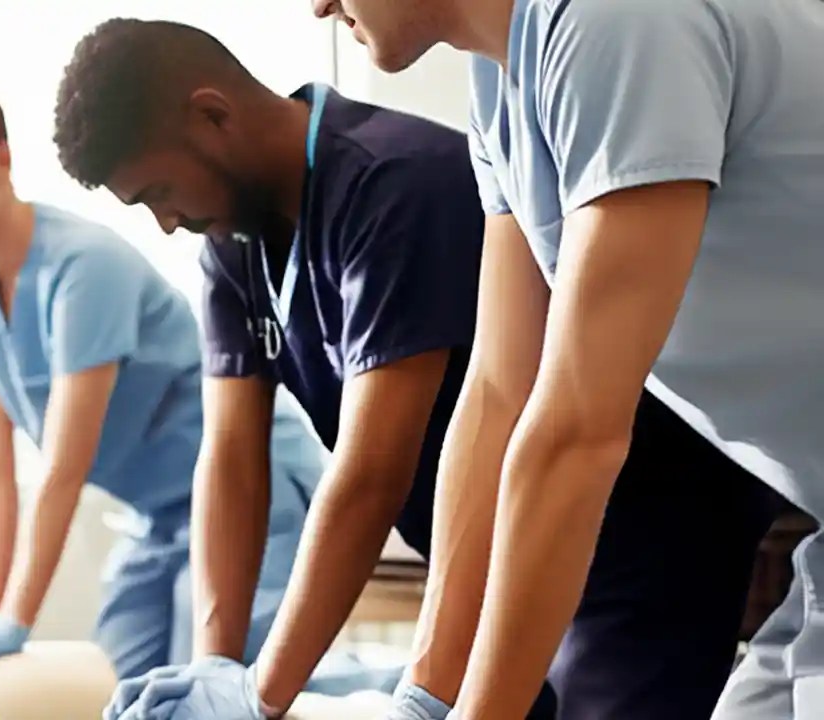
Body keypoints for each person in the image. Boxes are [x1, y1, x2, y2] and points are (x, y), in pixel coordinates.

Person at [54, 16, 781, 720]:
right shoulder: (233, 244)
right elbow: (232, 463)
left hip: (630, 535)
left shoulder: (393, 181)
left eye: (155, 193)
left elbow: (373, 473)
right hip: (487, 561)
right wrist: (218, 672)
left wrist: (263, 693)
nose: (165, 223)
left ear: (211, 116)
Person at [311, 0, 824, 718]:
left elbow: (577, 432)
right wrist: (428, 693)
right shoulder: (499, 95)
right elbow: (498, 392)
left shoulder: (618, 21)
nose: (318, 6)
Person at [0, 83, 328, 685]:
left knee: (233, 688)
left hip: (252, 492)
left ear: (1, 161)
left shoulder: (83, 267)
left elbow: (66, 464)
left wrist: (17, 620)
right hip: (156, 521)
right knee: (124, 692)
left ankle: (397, 689)